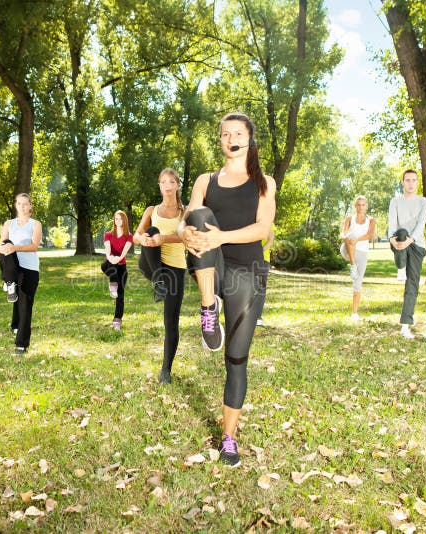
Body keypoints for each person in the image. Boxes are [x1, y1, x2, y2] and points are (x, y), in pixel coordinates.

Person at [177, 111, 276, 467]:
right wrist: (183, 233)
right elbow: (186, 219)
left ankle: (229, 438)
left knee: (235, 358)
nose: (231, 139)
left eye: (238, 133)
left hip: (247, 272)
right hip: (212, 266)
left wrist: (222, 237)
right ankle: (208, 308)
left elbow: (263, 229)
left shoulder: (264, 182)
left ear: (249, 139)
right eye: (225, 134)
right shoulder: (205, 180)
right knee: (200, 217)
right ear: (219, 140)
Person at [133, 168, 187, 383]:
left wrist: (164, 238)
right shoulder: (151, 210)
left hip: (175, 268)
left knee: (171, 321)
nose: (167, 185)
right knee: (151, 230)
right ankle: (158, 281)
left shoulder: (185, 211)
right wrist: (143, 239)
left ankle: (166, 370)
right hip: (151, 263)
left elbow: (186, 238)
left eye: (171, 181)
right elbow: (136, 235)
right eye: (163, 182)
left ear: (177, 185)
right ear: (159, 186)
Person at [0, 193, 42, 354]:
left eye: (25, 204)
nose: (22, 207)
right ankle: (9, 282)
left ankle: (21, 344)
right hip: (12, 266)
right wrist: (1, 249)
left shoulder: (35, 224)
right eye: (19, 203)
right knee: (5, 243)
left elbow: (34, 246)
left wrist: (14, 247)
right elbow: (1, 245)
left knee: (24, 306)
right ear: (15, 205)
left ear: (30, 206)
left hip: (30, 269)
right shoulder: (9, 223)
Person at [388, 169, 426, 339]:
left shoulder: (424, 201)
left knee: (412, 284)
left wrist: (410, 240)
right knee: (402, 231)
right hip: (399, 240)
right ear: (403, 182)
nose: (410, 183)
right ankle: (401, 267)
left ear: (417, 182)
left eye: (413, 180)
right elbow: (392, 222)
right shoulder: (395, 201)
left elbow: (421, 224)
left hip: (416, 245)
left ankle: (405, 325)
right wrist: (392, 239)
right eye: (407, 180)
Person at [340, 195, 375, 321]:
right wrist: (345, 238)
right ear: (355, 206)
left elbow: (369, 235)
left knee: (357, 282)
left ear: (366, 206)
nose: (361, 207)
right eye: (358, 205)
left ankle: (354, 313)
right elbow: (343, 232)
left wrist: (357, 240)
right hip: (347, 249)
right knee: (350, 238)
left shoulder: (371, 220)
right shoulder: (350, 218)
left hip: (362, 252)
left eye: (363, 205)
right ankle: (353, 265)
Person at [101, 210, 133, 331]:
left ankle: (117, 320)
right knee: (112, 264)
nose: (118, 221)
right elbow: (108, 251)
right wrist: (112, 259)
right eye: (116, 218)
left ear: (125, 221)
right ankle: (113, 283)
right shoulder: (108, 234)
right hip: (108, 265)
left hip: (121, 267)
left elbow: (124, 253)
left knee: (120, 295)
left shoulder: (129, 236)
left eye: (120, 219)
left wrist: (117, 259)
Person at [253, 226, 274, 327]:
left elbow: (270, 241)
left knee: (260, 288)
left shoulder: (268, 222)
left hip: (263, 259)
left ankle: (257, 317)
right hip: (249, 259)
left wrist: (258, 252)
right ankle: (248, 315)